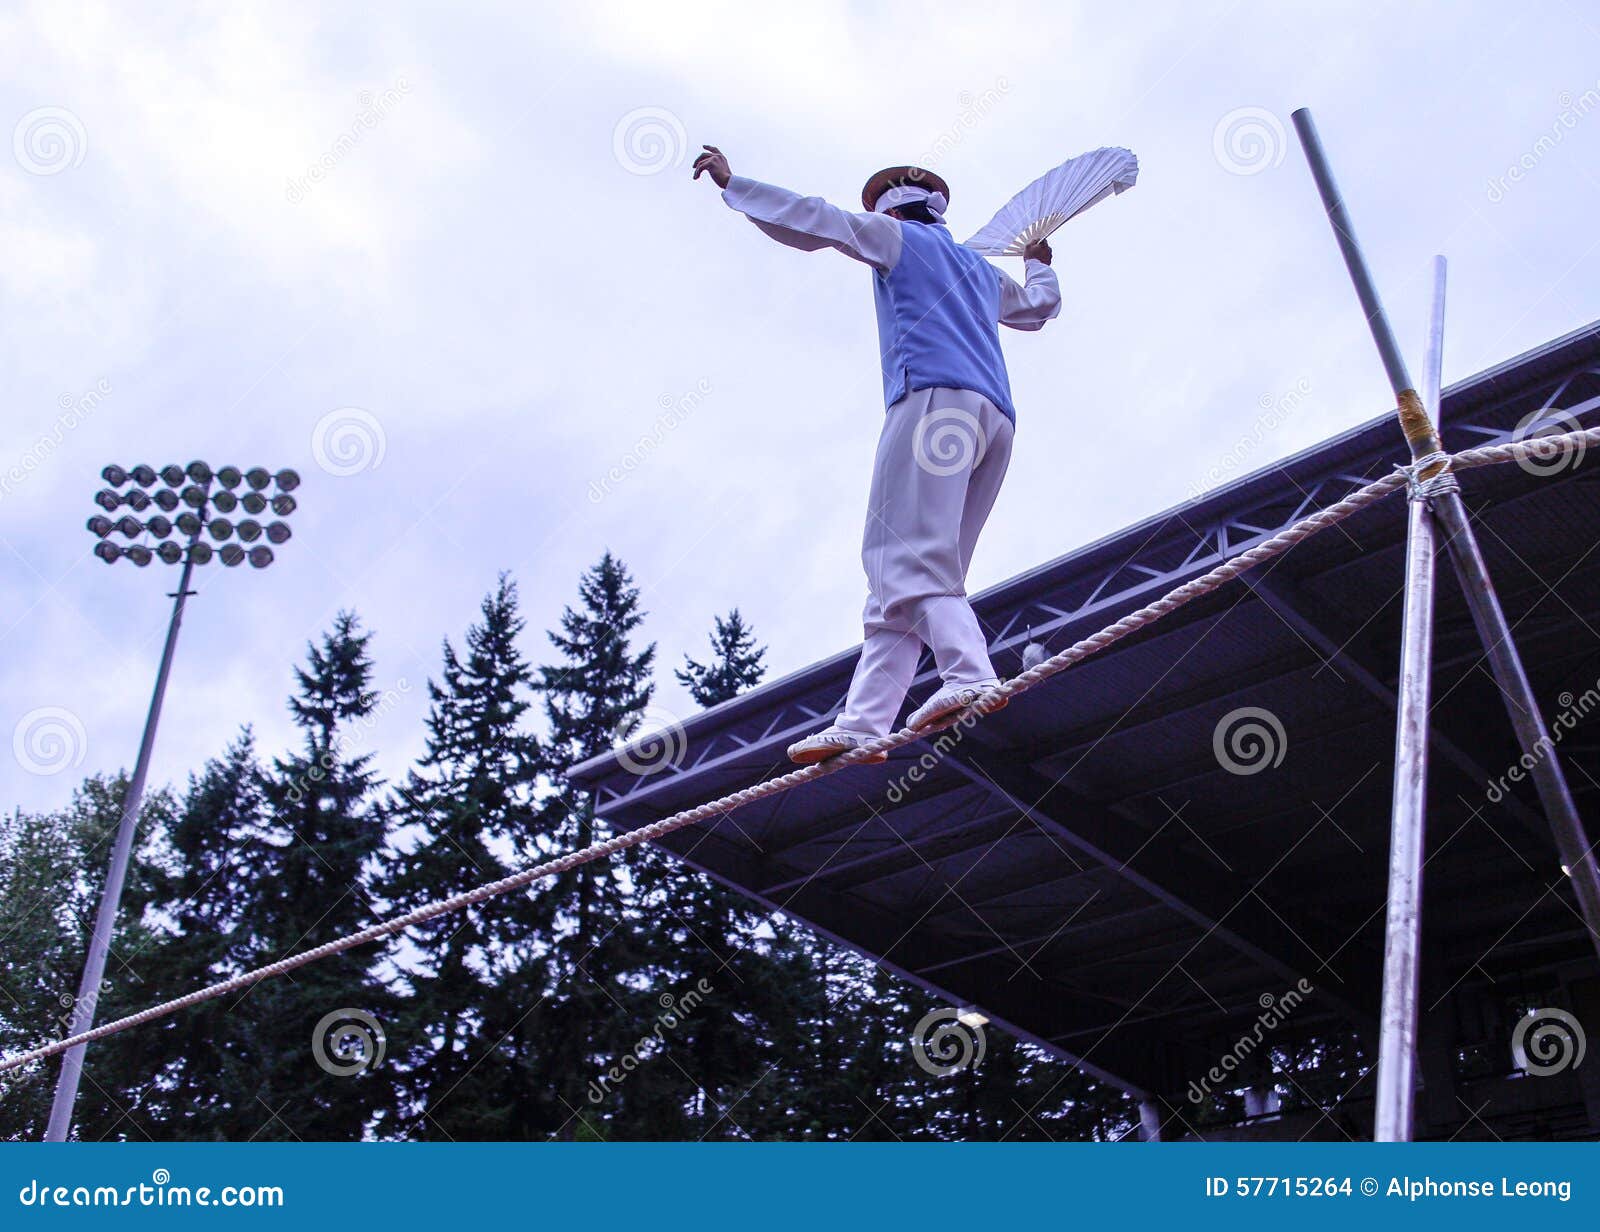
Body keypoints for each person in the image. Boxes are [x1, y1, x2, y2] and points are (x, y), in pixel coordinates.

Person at [693, 145, 1061, 764]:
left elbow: (816, 220)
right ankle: (866, 721)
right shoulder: (978, 269)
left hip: (931, 406)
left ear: (891, 206)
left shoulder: (896, 239)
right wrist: (1041, 265)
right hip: (994, 422)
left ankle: (969, 674)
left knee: (902, 559)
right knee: (914, 574)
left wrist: (736, 185)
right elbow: (1037, 309)